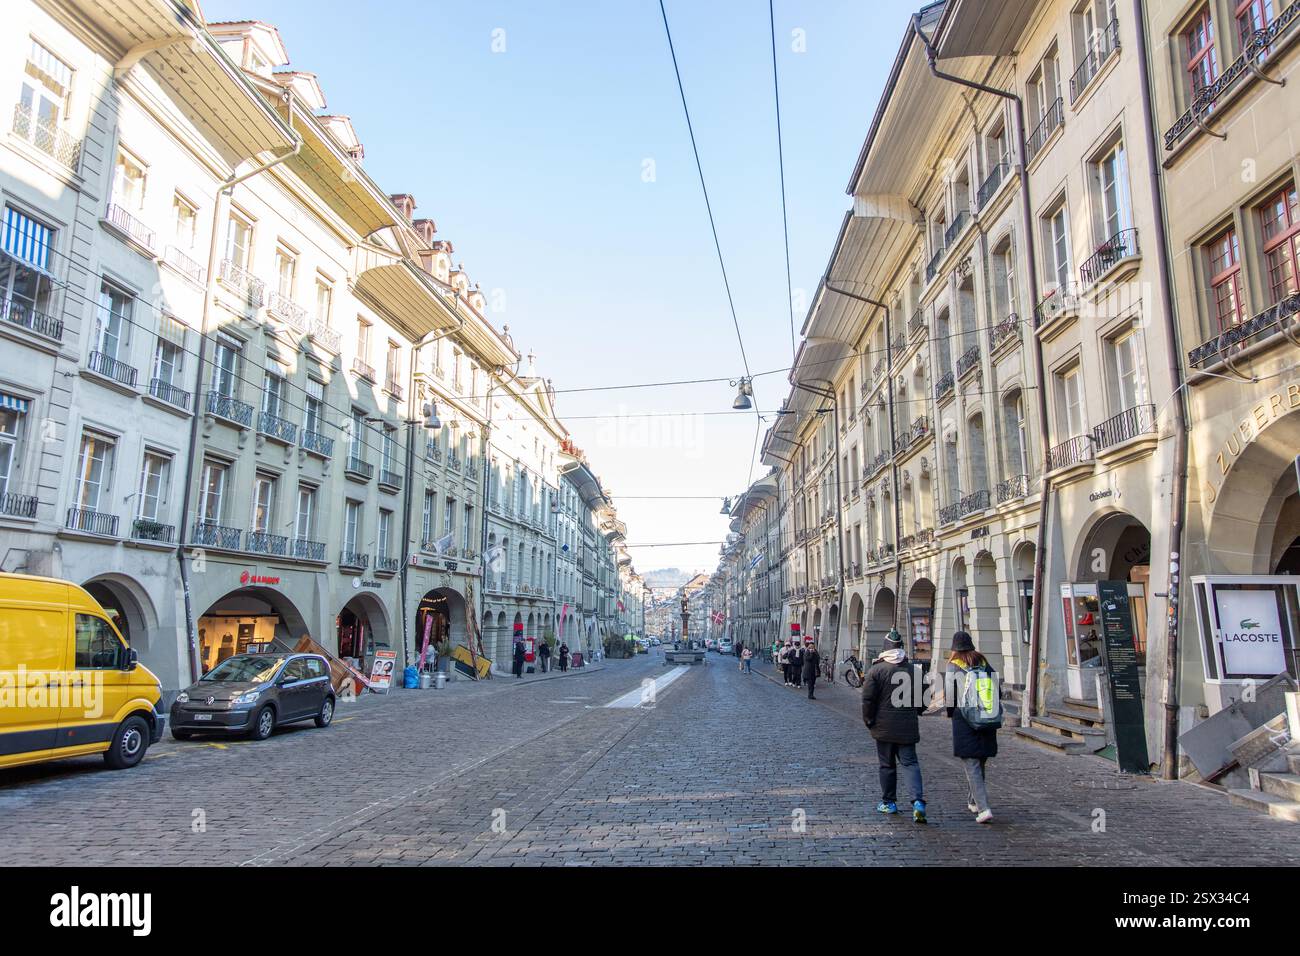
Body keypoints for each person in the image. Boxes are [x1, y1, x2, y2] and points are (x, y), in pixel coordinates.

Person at [861, 629, 926, 823]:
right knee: (910, 763)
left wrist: (868, 720)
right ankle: (918, 802)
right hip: (907, 726)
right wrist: (917, 712)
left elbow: (868, 700)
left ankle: (889, 802)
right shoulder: (914, 670)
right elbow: (923, 700)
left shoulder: (876, 670)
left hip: (884, 726)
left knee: (887, 765)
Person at [945, 631, 998, 824]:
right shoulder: (984, 663)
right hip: (987, 715)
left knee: (972, 763)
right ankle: (973, 801)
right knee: (980, 759)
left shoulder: (954, 666)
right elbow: (996, 687)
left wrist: (951, 714)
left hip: (965, 718)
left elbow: (950, 697)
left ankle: (983, 809)